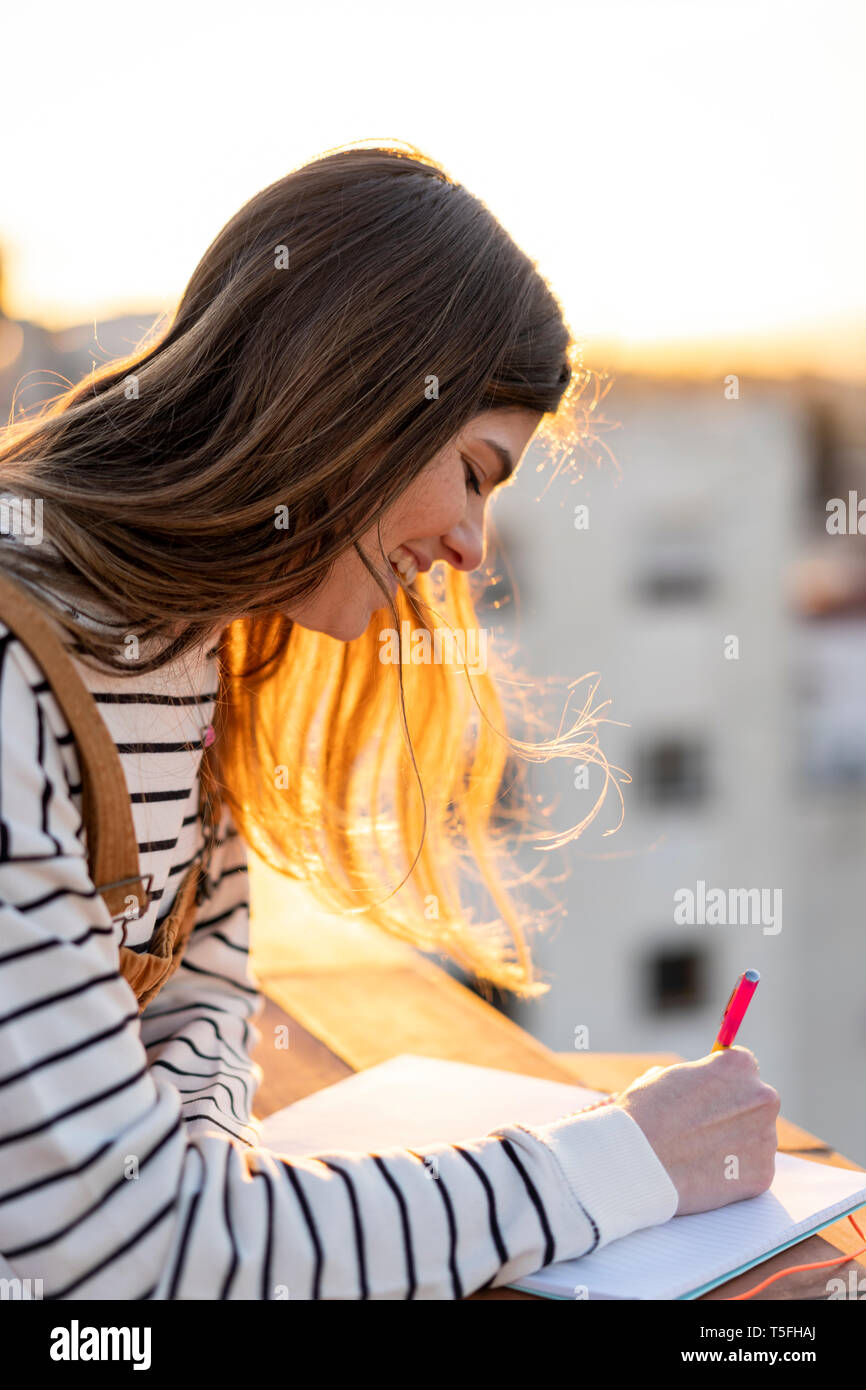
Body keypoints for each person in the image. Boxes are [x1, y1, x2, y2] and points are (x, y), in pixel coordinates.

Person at [0, 143, 780, 1300]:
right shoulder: (21, 679)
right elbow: (122, 1243)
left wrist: (220, 1194)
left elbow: (204, 1006)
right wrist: (618, 1166)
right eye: (473, 470)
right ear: (354, 398)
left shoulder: (190, 651)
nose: (471, 545)